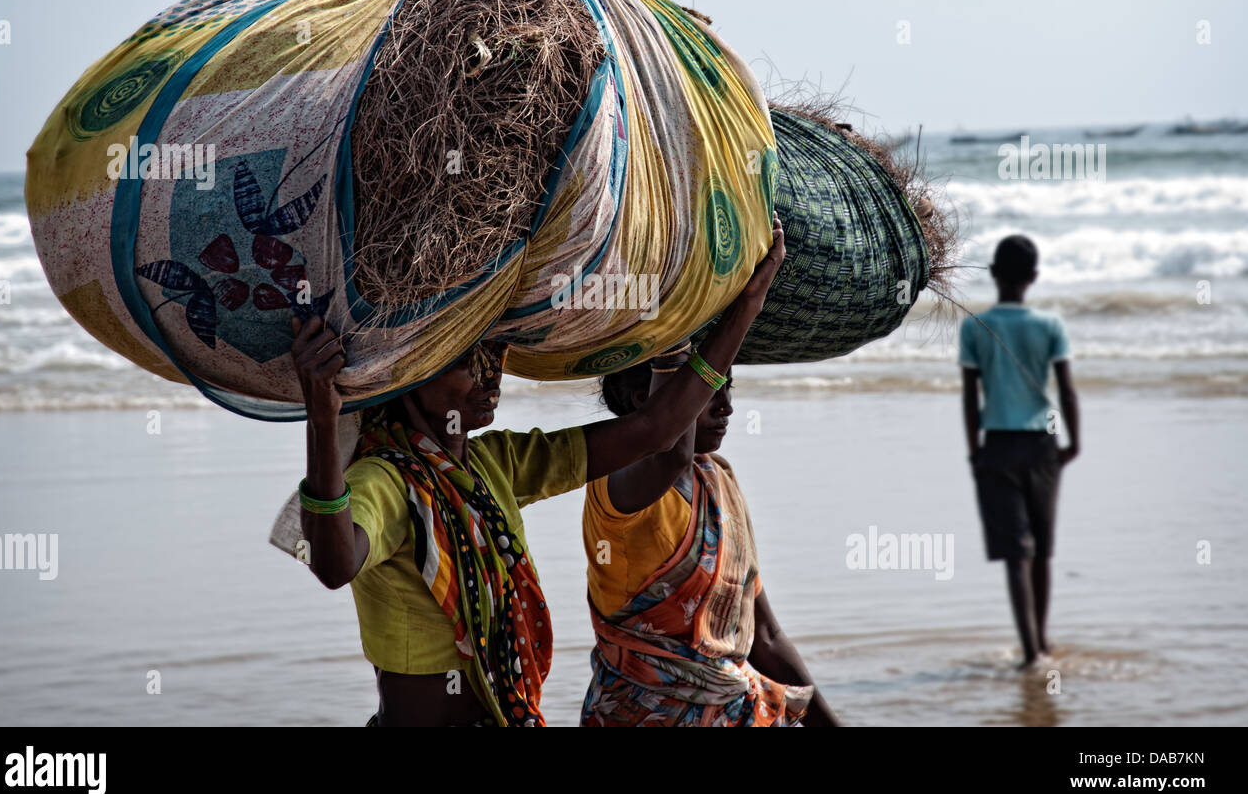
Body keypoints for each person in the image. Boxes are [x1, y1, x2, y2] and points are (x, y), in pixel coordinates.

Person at [290, 215, 786, 726]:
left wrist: (723, 317)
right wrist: (323, 419)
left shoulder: (496, 464)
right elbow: (334, 564)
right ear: (413, 374)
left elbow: (656, 433)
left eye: (496, 354)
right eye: (470, 362)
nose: (492, 375)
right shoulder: (389, 481)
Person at [580, 349, 840, 726]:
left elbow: (764, 636)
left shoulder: (719, 481)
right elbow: (671, 456)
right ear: (646, 399)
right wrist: (743, 307)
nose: (727, 407)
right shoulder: (617, 481)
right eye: (708, 388)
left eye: (727, 387)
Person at [959, 234, 1080, 669]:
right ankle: (1042, 643)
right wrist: (1074, 442)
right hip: (1043, 445)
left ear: (993, 274)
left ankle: (1031, 651)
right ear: (1033, 278)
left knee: (1016, 553)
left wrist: (974, 452)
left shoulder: (976, 326)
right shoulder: (1050, 326)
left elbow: (970, 397)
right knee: (1042, 551)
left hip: (998, 446)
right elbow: (1065, 390)